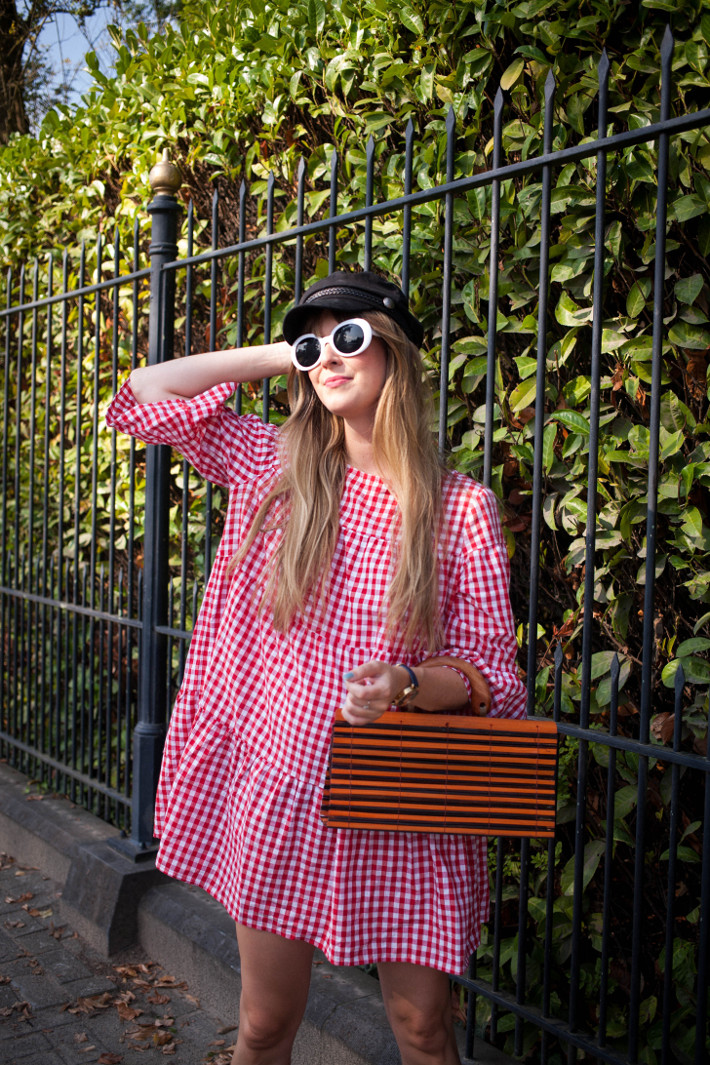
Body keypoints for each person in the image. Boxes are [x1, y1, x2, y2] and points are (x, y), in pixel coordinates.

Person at [106, 269, 526, 1065]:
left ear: (395, 351)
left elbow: (491, 675)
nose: (329, 355)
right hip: (282, 789)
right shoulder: (274, 463)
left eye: (351, 336)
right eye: (314, 340)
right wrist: (283, 353)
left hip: (397, 794)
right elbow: (147, 392)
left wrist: (405, 683)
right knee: (264, 1024)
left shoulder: (456, 505)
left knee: (424, 1030)